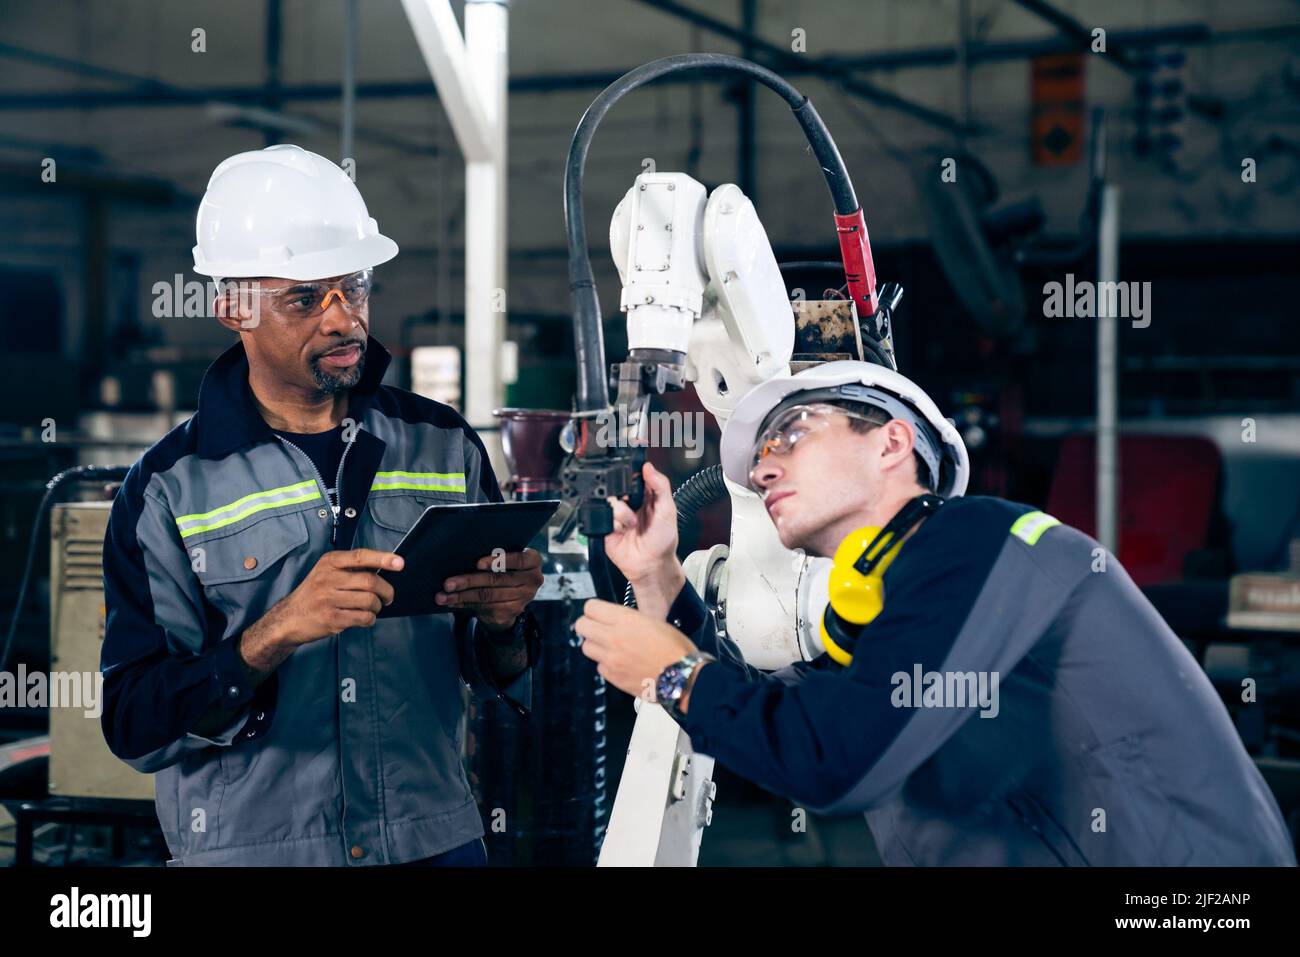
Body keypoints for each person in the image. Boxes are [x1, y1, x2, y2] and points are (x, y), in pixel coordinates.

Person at [576, 360, 1296, 865]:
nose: (762, 469)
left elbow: (834, 762)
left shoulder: (982, 540)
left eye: (792, 433)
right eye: (761, 454)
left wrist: (675, 675)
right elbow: (784, 721)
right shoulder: (887, 605)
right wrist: (659, 575)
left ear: (892, 441)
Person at [100, 145, 542, 866]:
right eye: (306, 298)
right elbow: (134, 725)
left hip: (432, 843)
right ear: (232, 308)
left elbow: (494, 670)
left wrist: (504, 625)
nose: (343, 320)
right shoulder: (169, 489)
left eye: (355, 289)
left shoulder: (443, 445)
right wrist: (272, 634)